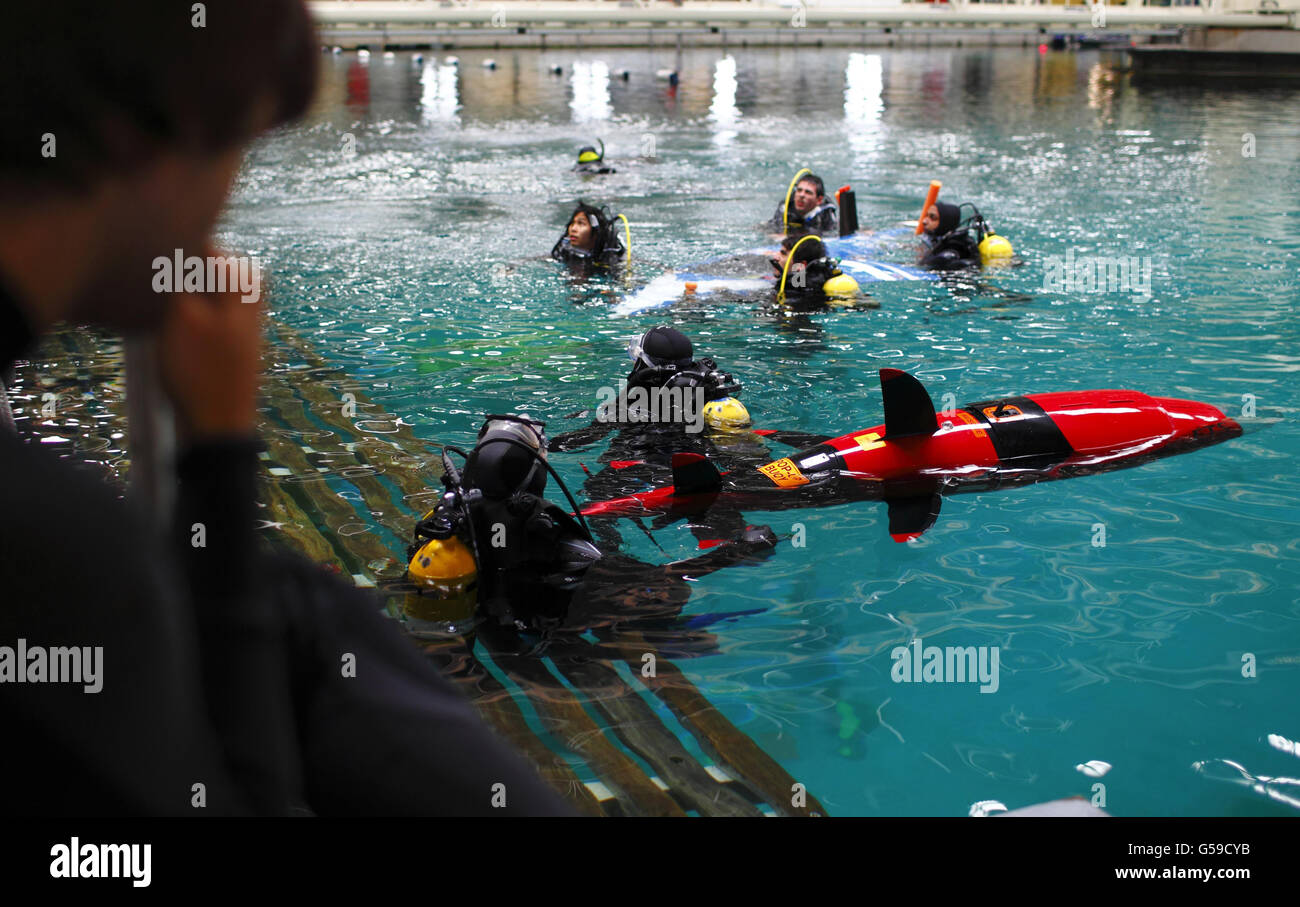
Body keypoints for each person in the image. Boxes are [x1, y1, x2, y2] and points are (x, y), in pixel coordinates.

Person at [0, 0, 570, 816]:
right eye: (235, 150)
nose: (224, 206)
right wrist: (220, 454)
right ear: (142, 142)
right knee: (307, 621)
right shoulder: (59, 548)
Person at [405, 413, 779, 642]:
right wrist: (735, 553)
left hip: (484, 610)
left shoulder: (451, 513)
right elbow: (653, 578)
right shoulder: (543, 528)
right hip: (546, 627)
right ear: (535, 473)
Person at [550, 202, 627, 273]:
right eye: (572, 223)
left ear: (596, 230)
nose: (573, 229)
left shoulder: (614, 255)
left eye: (581, 223)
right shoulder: (563, 250)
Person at [918, 200, 982, 271]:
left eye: (932, 217)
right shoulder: (949, 240)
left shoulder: (949, 254)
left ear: (945, 222)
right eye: (926, 215)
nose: (924, 221)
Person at [770, 173, 838, 235]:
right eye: (799, 190)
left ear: (819, 200)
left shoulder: (826, 214)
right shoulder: (785, 207)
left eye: (808, 192)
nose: (801, 195)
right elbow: (773, 230)